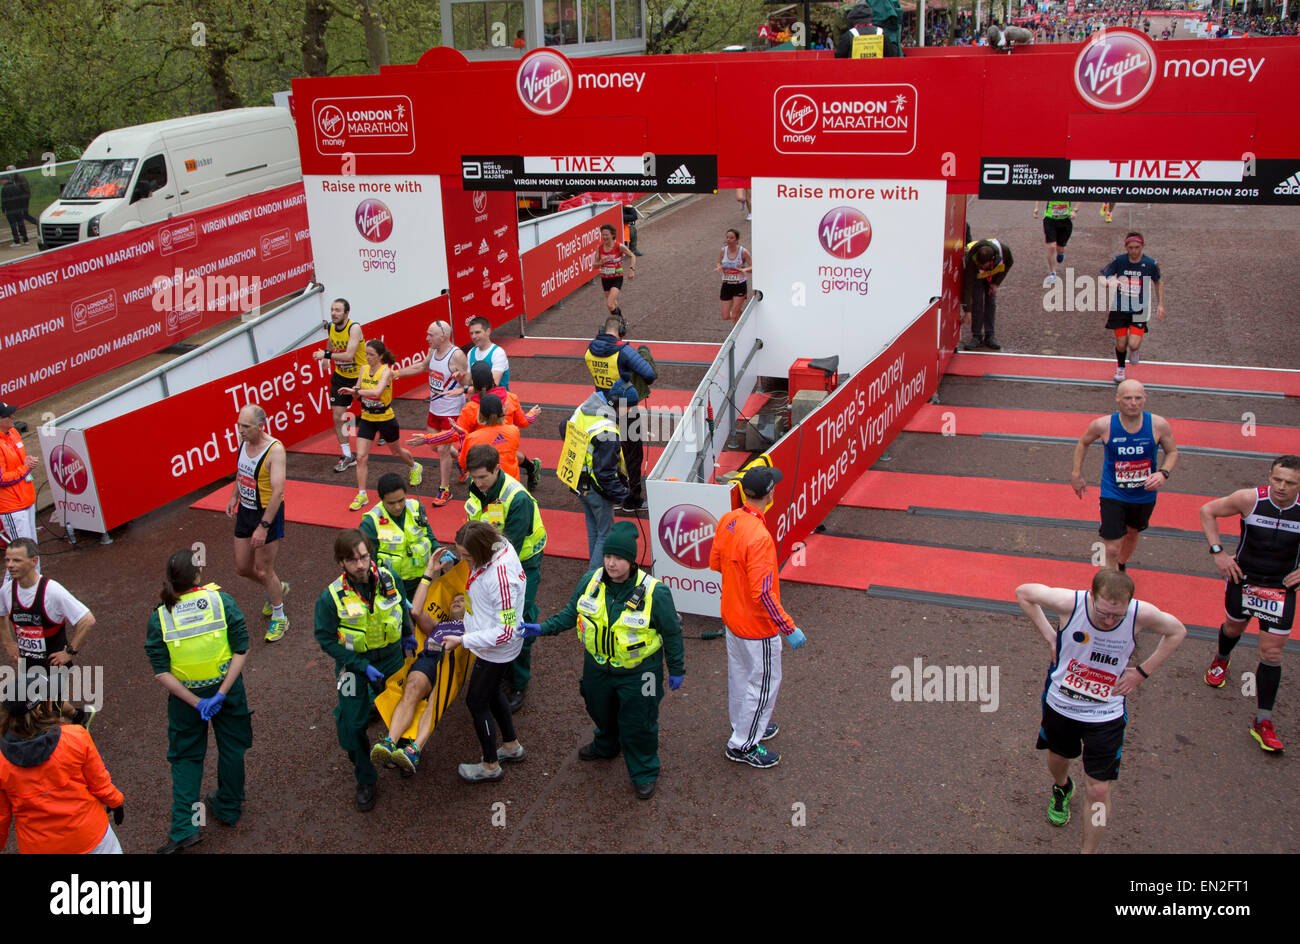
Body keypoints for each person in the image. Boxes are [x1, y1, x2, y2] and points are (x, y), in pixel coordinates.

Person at [1015, 571, 1186, 853]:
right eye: (1104, 612)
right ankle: (1062, 787)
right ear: (1092, 596)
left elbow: (1177, 630)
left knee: (1098, 789)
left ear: (1129, 604)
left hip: (1106, 713)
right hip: (1062, 705)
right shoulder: (1071, 603)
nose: (1109, 621)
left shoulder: (1139, 614)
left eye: (1116, 616)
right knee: (1058, 758)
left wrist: (1142, 672)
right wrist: (1050, 636)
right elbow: (1024, 591)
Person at [523, 521, 684, 799]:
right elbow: (570, 613)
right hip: (597, 665)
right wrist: (543, 628)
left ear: (632, 561)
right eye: (608, 556)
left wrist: (676, 668)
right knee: (599, 708)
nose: (611, 563)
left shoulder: (655, 593)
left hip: (640, 671)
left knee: (639, 722)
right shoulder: (591, 580)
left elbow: (671, 633)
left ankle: (644, 770)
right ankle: (607, 744)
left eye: (618, 558)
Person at [145, 549, 252, 854]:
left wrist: (196, 702)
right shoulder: (221, 601)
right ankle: (229, 808)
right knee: (231, 747)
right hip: (226, 689)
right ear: (197, 576)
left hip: (185, 699)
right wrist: (220, 693)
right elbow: (241, 649)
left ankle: (185, 828)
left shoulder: (160, 616)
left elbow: (161, 671)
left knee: (186, 759)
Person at [1199, 455, 1300, 752]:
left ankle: (1263, 721)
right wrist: (1218, 553)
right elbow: (1207, 511)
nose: (1281, 487)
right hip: (1243, 579)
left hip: (1281, 588)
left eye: (1290, 483)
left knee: (1271, 652)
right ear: (1269, 475)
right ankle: (1221, 658)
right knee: (1233, 628)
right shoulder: (1250, 499)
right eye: (1276, 479)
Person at [709, 465, 805, 768]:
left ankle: (746, 724)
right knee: (762, 684)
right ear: (770, 493)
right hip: (756, 627)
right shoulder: (760, 537)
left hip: (732, 618)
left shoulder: (728, 519)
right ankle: (744, 744)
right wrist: (788, 628)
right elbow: (763, 594)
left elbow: (716, 564)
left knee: (740, 678)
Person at [313, 529, 415, 811]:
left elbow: (400, 609)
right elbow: (325, 639)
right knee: (351, 723)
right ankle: (366, 777)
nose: (361, 565)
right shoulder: (330, 598)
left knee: (401, 708)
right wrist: (360, 665)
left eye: (364, 556)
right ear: (340, 563)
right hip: (354, 667)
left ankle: (401, 752)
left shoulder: (389, 578)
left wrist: (407, 633)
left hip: (392, 657)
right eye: (353, 560)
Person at [437, 520, 526, 783]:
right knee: (492, 691)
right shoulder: (498, 548)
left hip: (496, 651)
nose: (463, 560)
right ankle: (511, 745)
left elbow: (506, 630)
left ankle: (490, 765)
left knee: (476, 701)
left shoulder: (501, 578)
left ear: (482, 549)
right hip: (488, 644)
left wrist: (464, 639)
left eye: (466, 555)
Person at [464, 444, 547, 712]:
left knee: (519, 618)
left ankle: (519, 682)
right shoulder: (477, 487)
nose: (478, 483)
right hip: (490, 561)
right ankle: (500, 669)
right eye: (474, 477)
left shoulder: (517, 498)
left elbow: (511, 544)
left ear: (497, 469)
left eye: (483, 477)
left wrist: (477, 559)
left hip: (522, 565)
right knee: (494, 616)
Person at [0, 678, 124, 854]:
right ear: (39, 708)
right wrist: (116, 801)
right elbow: (99, 782)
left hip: (39, 847)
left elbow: (1, 816)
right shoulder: (75, 737)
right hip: (90, 836)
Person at [1069, 380, 1178, 570]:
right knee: (1111, 547)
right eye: (1128, 398)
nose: (1133, 403)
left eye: (1138, 398)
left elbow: (1172, 452)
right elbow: (1082, 443)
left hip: (1144, 494)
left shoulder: (1158, 425)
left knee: (1133, 533)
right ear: (1118, 399)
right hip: (1113, 492)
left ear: (1145, 399)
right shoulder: (1103, 425)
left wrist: (1163, 473)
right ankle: (1106, 583)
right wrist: (1076, 474)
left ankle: (1120, 565)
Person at [0, 540, 96, 704]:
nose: (10, 565)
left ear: (34, 561)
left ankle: (69, 725)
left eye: (16, 560)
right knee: (33, 705)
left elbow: (87, 620)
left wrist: (69, 652)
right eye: (7, 560)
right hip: (28, 663)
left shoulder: (52, 591)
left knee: (46, 708)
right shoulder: (7, 590)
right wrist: (8, 642)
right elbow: (1, 615)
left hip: (53, 665)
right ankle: (77, 716)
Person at [225, 404, 289, 642]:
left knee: (263, 570)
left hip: (267, 515)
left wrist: (263, 526)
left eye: (245, 426)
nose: (240, 430)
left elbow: (278, 492)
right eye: (239, 425)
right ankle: (277, 586)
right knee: (242, 568)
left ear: (260, 427)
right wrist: (234, 496)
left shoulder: (275, 450)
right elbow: (241, 473)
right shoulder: (244, 443)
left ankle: (280, 616)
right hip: (245, 512)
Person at [339, 339, 422, 512]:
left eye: (371, 355)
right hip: (368, 418)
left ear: (380, 356)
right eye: (366, 354)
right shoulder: (363, 369)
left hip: (385, 417)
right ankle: (362, 493)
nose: (368, 358)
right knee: (361, 457)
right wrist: (353, 392)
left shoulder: (386, 371)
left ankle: (414, 466)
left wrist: (355, 391)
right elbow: (357, 396)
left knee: (396, 452)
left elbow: (377, 393)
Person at [584, 316, 657, 512]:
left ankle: (616, 495)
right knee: (633, 455)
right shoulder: (623, 351)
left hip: (603, 406)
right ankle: (632, 499)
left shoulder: (589, 350)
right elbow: (649, 375)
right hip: (625, 406)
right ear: (621, 331)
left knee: (611, 452)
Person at [558, 384, 632, 570]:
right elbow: (605, 475)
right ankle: (594, 578)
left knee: (594, 529)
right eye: (630, 407)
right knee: (605, 533)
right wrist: (625, 496)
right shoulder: (608, 432)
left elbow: (563, 426)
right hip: (595, 487)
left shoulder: (585, 408)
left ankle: (594, 570)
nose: (631, 411)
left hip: (578, 479)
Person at [396, 320, 467, 507]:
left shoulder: (457, 355)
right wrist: (396, 374)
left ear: (443, 336)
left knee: (442, 450)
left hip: (452, 411)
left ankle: (444, 489)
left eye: (430, 335)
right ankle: (461, 460)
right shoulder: (433, 351)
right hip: (435, 409)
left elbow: (470, 380)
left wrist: (462, 380)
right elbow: (421, 367)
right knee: (434, 447)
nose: (427, 338)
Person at [452, 362, 541, 490]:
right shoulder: (511, 402)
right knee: (510, 455)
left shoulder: (470, 410)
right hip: (508, 465)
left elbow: (460, 455)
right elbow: (523, 422)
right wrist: (533, 414)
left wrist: (429, 439)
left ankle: (531, 467)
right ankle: (532, 467)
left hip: (485, 464)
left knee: (490, 501)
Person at [359, 472, 436, 600]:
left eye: (401, 500)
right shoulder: (370, 523)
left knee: (423, 618)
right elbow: (368, 562)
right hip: (390, 587)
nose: (397, 507)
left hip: (420, 581)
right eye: (391, 503)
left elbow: (428, 534)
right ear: (381, 499)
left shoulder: (416, 507)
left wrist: (438, 549)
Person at [1100, 232, 1165, 382]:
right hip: (1120, 308)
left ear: (1143, 246)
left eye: (1137, 247)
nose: (1134, 251)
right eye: (1131, 248)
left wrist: (1160, 304)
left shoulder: (1150, 264)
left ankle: (1134, 350)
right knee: (1121, 345)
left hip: (1139, 308)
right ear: (1126, 247)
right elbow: (1102, 276)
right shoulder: (1118, 261)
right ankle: (1121, 369)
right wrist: (1109, 282)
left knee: (1134, 345)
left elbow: (1158, 283)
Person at [312, 298, 365, 473]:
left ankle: (382, 432)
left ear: (346, 313)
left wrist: (325, 354)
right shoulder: (331, 327)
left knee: (373, 411)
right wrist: (327, 358)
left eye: (338, 310)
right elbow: (331, 341)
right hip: (341, 377)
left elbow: (349, 355)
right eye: (332, 310)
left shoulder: (354, 328)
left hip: (360, 377)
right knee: (338, 416)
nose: (333, 313)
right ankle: (347, 455)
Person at [961, 237, 1013, 351]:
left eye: (982, 265)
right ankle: (977, 336)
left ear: (992, 259)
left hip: (992, 276)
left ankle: (990, 335)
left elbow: (1009, 263)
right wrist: (967, 311)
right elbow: (967, 286)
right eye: (979, 264)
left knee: (991, 301)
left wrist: (996, 283)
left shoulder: (1004, 250)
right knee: (977, 302)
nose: (981, 267)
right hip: (977, 278)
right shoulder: (971, 260)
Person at [459, 394, 522, 482]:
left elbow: (464, 464)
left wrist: (462, 436)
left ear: (480, 414)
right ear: (502, 411)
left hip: (484, 486)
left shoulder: (472, 438)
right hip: (511, 483)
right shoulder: (514, 431)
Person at [0, 402, 37, 546]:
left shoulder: (13, 432)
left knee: (32, 548)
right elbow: (2, 479)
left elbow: (19, 461)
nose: (13, 417)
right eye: (7, 415)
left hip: (26, 499)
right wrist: (25, 468)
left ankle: (36, 570)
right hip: (12, 507)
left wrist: (27, 461)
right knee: (22, 553)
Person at [591, 223, 635, 319]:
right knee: (614, 303)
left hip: (617, 278)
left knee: (609, 304)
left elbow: (632, 255)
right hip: (605, 279)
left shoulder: (619, 246)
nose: (604, 237)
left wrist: (632, 269)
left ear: (612, 235)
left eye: (607, 235)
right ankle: (621, 320)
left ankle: (620, 320)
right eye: (603, 235)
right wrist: (601, 262)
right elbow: (594, 266)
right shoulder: (600, 248)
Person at [1032, 200, 1076, 288]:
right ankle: (1053, 273)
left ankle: (1060, 253)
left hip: (1065, 221)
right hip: (1050, 219)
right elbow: (1039, 192)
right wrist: (1036, 209)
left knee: (1060, 248)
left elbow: (1082, 192)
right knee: (1051, 246)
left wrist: (1075, 210)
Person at [715, 228, 753, 323]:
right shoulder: (723, 251)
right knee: (725, 316)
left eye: (731, 238)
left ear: (737, 239)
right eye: (727, 237)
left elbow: (754, 267)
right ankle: (742, 315)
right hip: (726, 285)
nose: (728, 240)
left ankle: (738, 336)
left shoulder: (743, 252)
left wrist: (744, 270)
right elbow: (719, 262)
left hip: (739, 285)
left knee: (735, 315)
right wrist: (719, 267)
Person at [465, 316, 510, 389]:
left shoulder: (498, 353)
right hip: (479, 398)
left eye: (477, 332)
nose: (473, 336)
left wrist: (465, 389)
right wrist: (461, 379)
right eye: (471, 333)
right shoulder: (471, 352)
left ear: (488, 331)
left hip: (498, 399)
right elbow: (468, 382)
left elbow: (493, 384)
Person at [2, 173, 27, 246]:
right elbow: (21, 197)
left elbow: (4, 200)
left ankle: (17, 241)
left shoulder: (4, 188)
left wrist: (3, 210)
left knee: (13, 225)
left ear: (4, 180)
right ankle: (25, 239)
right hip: (18, 208)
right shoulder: (16, 186)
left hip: (10, 210)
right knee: (21, 224)